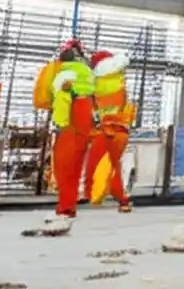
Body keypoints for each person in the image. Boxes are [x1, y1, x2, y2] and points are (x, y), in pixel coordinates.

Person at [39, 38, 97, 233]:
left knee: (64, 168)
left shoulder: (66, 72)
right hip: (83, 118)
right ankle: (66, 209)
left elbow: (60, 97)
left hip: (71, 120)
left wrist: (61, 124)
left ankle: (64, 210)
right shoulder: (86, 72)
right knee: (73, 168)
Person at [84, 48, 135, 212]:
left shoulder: (96, 84)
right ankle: (120, 199)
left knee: (97, 164)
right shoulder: (120, 83)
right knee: (112, 165)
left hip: (106, 131)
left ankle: (94, 195)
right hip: (122, 131)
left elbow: (91, 110)